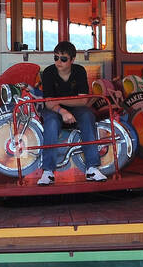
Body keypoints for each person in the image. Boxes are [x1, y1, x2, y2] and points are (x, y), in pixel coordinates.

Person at [37, 41, 106, 184]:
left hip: (75, 108)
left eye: (63, 59)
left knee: (87, 115)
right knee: (51, 121)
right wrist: (62, 111)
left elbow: (82, 102)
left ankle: (92, 168)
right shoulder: (49, 72)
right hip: (54, 110)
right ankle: (48, 171)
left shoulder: (79, 71)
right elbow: (48, 103)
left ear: (72, 60)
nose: (58, 62)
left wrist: (59, 101)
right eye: (56, 58)